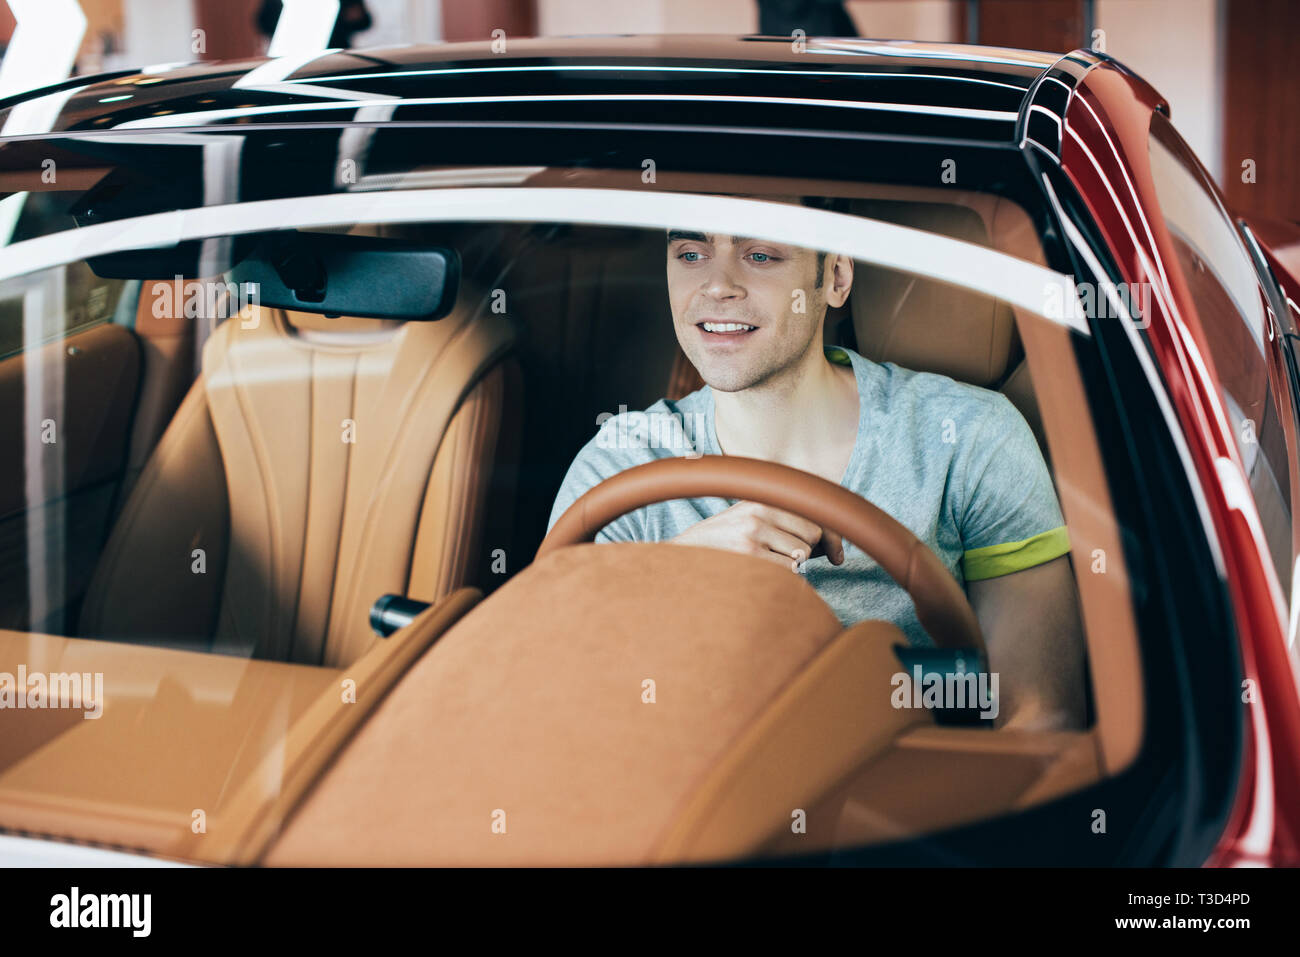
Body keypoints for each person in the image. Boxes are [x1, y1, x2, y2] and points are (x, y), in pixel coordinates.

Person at [547, 200, 1087, 730]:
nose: (717, 286)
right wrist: (671, 579)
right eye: (690, 253)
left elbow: (1037, 721)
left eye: (760, 254)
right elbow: (548, 704)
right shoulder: (619, 464)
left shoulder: (970, 439)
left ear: (834, 278)